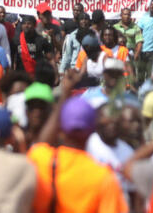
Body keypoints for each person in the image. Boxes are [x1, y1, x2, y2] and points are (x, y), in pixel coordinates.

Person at [27, 72, 129, 213]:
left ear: (61, 129)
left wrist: (65, 93)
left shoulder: (41, 159)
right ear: (93, 130)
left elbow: (40, 144)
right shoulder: (104, 178)